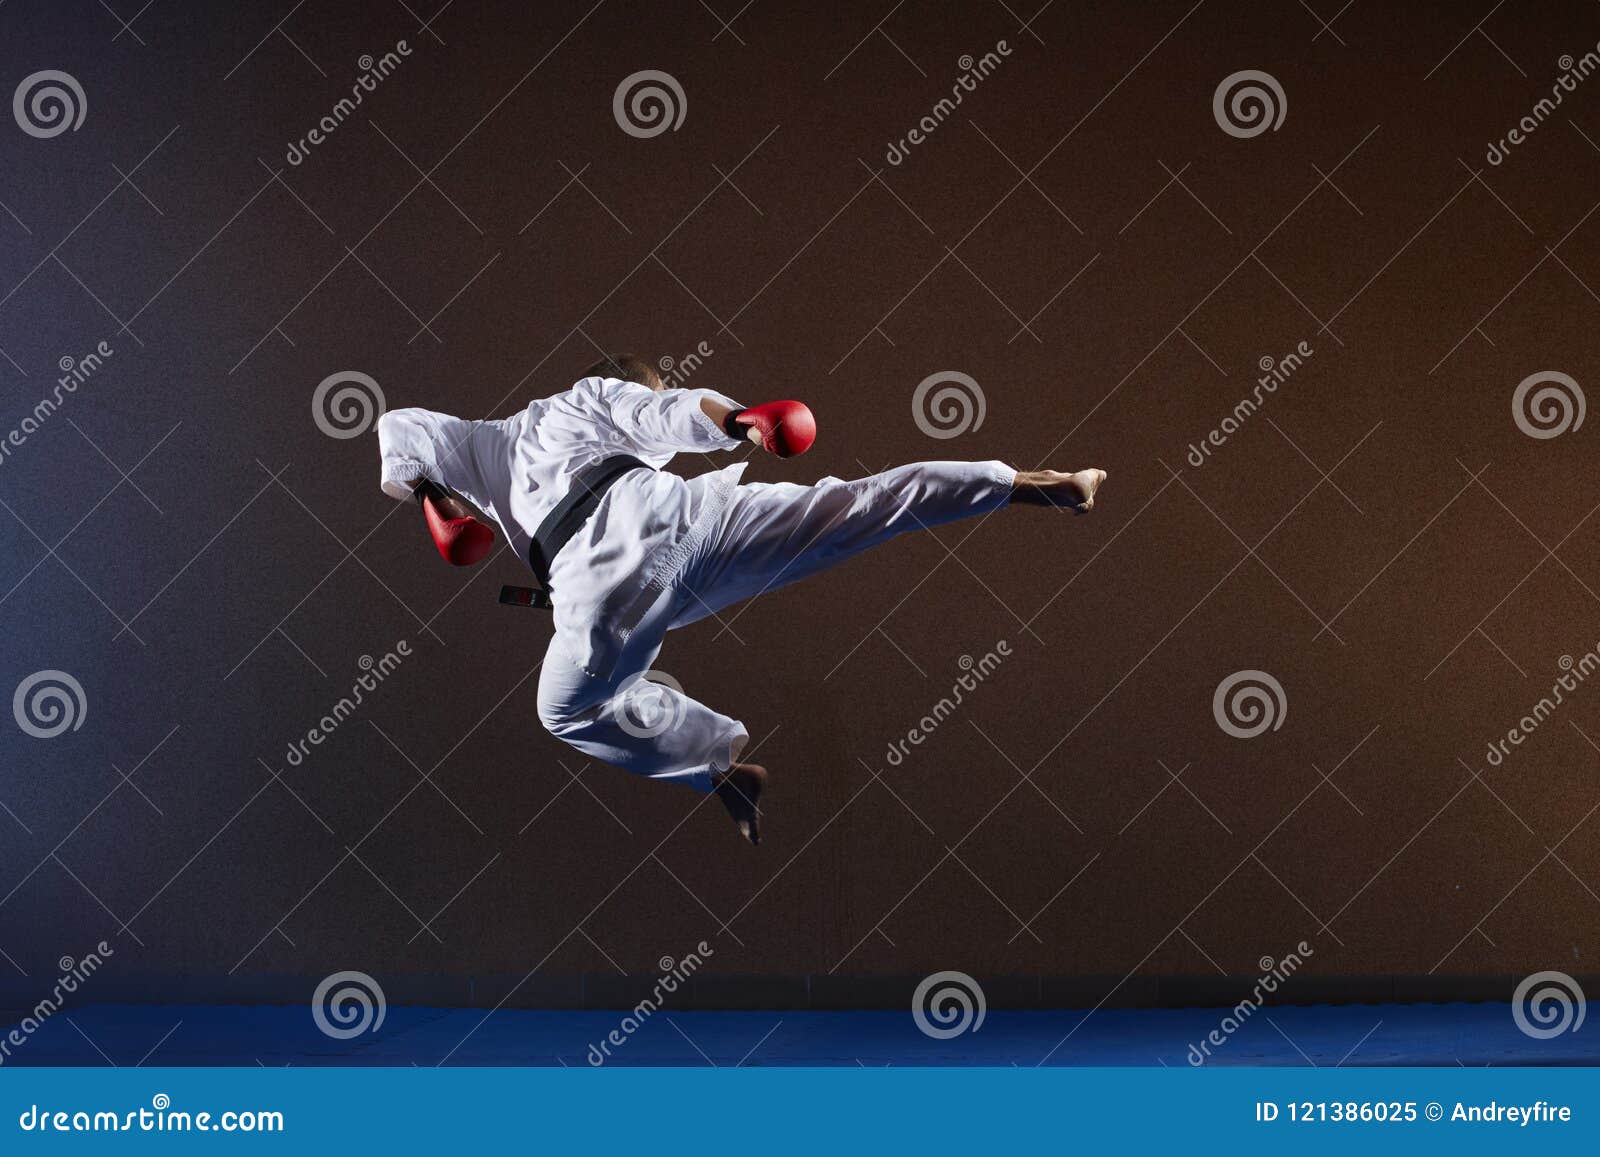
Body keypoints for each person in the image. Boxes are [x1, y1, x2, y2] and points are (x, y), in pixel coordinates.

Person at [376, 353, 1105, 845]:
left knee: (564, 710)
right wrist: (736, 420)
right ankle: (1027, 483)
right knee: (857, 507)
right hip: (686, 522)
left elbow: (399, 424)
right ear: (627, 379)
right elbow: (663, 414)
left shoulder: (479, 443)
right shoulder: (590, 397)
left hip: (599, 593)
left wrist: (431, 496)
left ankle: (717, 767)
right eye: (651, 386)